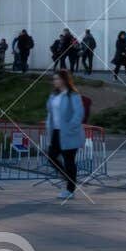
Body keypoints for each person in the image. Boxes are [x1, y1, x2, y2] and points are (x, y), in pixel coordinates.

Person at [44, 70, 86, 200]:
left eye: (57, 79)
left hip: (69, 133)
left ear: (64, 80)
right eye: (54, 79)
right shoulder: (54, 95)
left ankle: (70, 189)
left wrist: (70, 127)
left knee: (69, 161)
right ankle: (67, 177)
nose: (55, 81)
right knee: (51, 157)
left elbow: (78, 114)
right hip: (56, 132)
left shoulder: (72, 95)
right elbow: (50, 112)